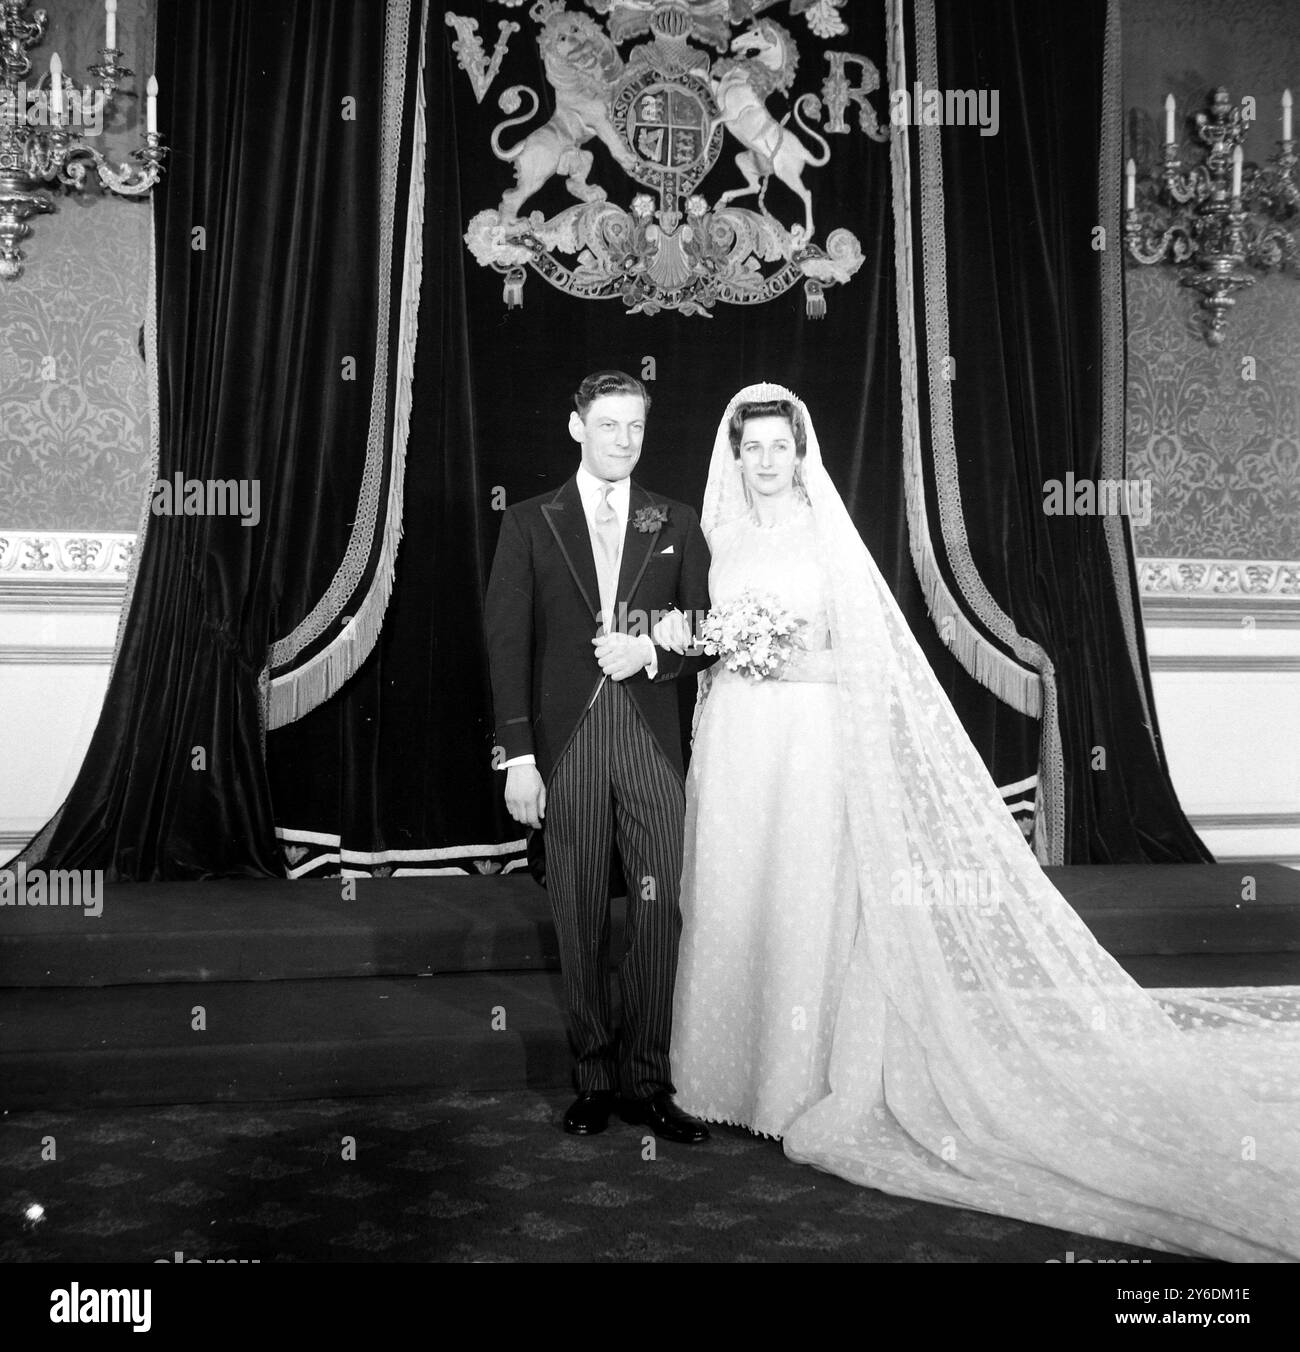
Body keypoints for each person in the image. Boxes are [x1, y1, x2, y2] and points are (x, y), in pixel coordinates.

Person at [657, 380, 1300, 1260]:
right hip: (736, 742)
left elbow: (865, 662)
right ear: (734, 455)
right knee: (734, 894)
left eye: (780, 446)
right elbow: (698, 639)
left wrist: (783, 662)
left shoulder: (828, 540)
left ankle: (789, 1088)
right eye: (752, 448)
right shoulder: (717, 539)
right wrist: (727, 652)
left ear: (802, 452)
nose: (766, 462)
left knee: (804, 894)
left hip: (807, 740)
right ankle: (716, 1076)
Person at [484, 370, 713, 1143]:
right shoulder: (528, 523)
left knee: (657, 913)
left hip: (649, 739)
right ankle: (591, 1077)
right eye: (608, 425)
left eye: (635, 428)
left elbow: (706, 633)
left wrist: (649, 650)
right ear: (577, 427)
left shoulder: (674, 519)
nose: (623, 440)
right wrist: (517, 756)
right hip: (568, 743)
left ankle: (646, 1081)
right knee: (578, 908)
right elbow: (507, 644)